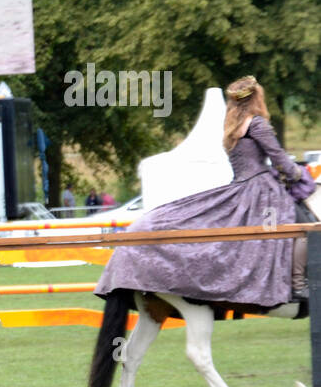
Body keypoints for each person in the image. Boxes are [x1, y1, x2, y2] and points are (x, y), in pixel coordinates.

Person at [96, 76, 314, 307]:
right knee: (302, 227)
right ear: (256, 98)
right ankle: (298, 284)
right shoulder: (257, 124)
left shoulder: (231, 129)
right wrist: (300, 175)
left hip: (238, 188)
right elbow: (279, 158)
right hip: (261, 191)